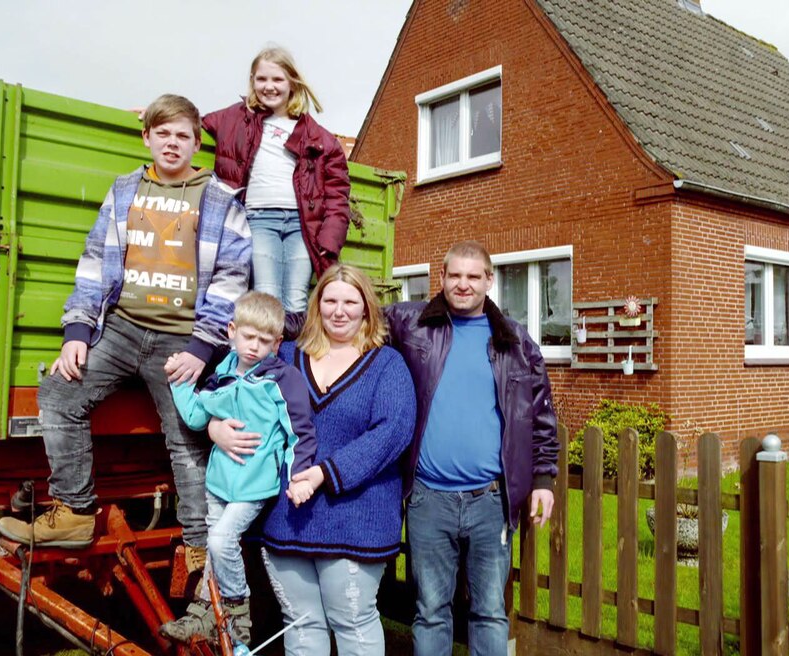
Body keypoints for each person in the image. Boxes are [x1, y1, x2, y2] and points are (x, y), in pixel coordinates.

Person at [0, 95, 251, 593]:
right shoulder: (125, 189)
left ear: (196, 143)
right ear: (147, 137)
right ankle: (73, 510)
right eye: (163, 133)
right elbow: (95, 263)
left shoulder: (220, 198)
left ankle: (200, 554)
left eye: (182, 135)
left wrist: (202, 349)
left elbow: (232, 277)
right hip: (122, 328)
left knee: (185, 439)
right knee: (59, 393)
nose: (172, 143)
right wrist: (78, 333)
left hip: (181, 337)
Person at [208, 264, 415, 655]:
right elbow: (229, 384)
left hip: (355, 520)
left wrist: (323, 473)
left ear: (367, 309)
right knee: (301, 624)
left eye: (350, 302)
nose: (339, 311)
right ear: (317, 306)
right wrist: (215, 427)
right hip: (287, 517)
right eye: (330, 300)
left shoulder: (388, 365)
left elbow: (390, 435)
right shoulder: (283, 354)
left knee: (351, 620)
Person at [384, 240, 561, 655]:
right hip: (428, 499)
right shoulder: (412, 324)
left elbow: (541, 417)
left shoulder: (515, 341)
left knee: (490, 612)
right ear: (441, 278)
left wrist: (543, 478)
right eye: (455, 276)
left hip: (490, 502)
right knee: (430, 610)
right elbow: (346, 315)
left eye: (473, 276)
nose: (463, 285)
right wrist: (271, 324)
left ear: (488, 280)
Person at [157, 291, 317, 646]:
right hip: (218, 482)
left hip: (252, 485)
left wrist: (297, 478)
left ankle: (237, 608)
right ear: (232, 331)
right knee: (215, 549)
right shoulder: (224, 372)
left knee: (220, 539)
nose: (254, 347)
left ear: (277, 343)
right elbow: (198, 415)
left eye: (264, 340)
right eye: (248, 337)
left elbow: (299, 434)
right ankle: (205, 613)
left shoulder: (283, 379)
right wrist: (178, 383)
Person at [202, 45, 352, 314]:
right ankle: (267, 356)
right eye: (261, 79)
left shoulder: (319, 137)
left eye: (277, 79)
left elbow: (337, 195)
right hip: (260, 219)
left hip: (302, 227)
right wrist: (157, 114)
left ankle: (290, 356)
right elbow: (192, 123)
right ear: (252, 81)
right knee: (267, 296)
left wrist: (328, 243)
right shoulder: (236, 118)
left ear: (292, 82)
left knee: (296, 300)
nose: (269, 86)